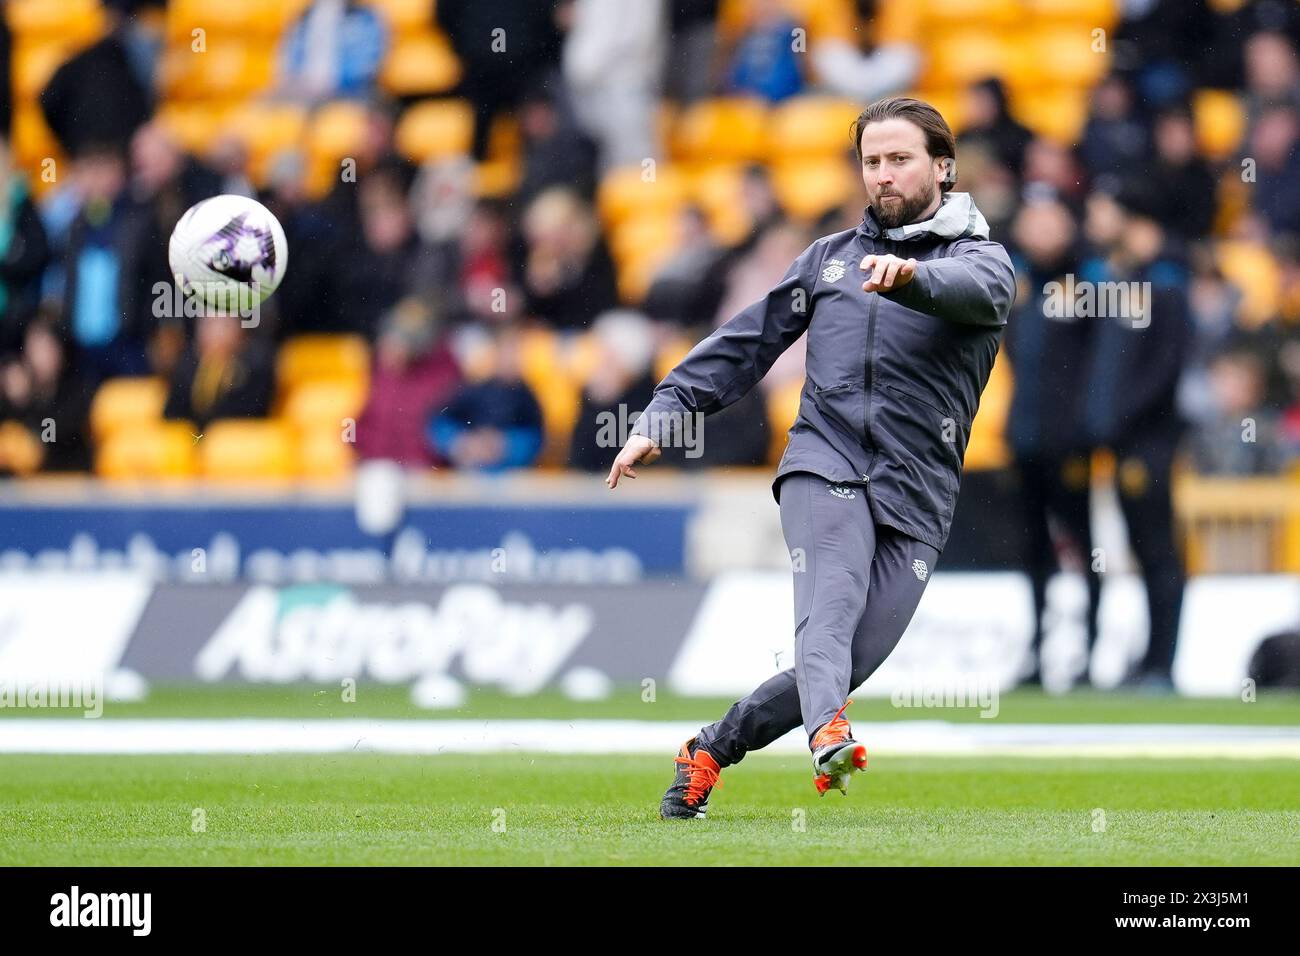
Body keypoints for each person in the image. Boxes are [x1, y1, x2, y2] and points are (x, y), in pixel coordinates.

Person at [606, 97, 1016, 818]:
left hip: (918, 492)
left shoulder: (981, 260)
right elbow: (744, 345)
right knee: (830, 603)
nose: (883, 175)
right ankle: (830, 732)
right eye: (872, 162)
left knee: (844, 659)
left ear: (943, 167)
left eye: (900, 159)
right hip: (823, 464)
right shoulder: (828, 261)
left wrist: (911, 278)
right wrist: (664, 413)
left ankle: (709, 749)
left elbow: (975, 295)